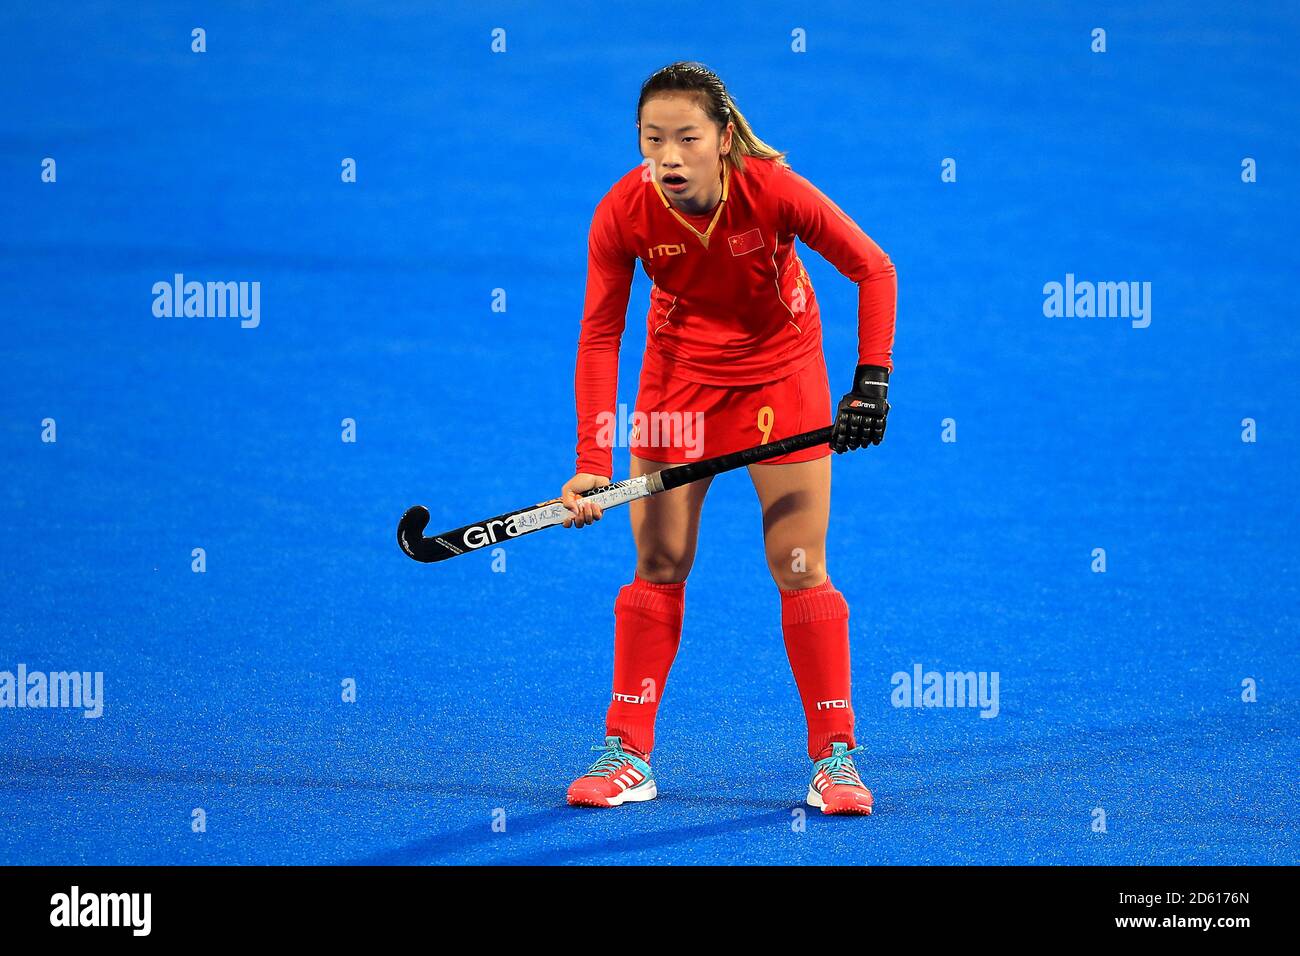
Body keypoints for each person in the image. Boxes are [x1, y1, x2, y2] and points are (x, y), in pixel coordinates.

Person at [560, 62, 895, 815]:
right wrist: (590, 465)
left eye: (686, 138)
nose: (669, 156)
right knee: (660, 558)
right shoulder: (623, 212)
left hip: (782, 378)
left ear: (723, 138)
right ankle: (627, 754)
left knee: (799, 562)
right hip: (678, 385)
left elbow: (873, 268)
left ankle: (835, 760)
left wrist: (871, 378)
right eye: (653, 140)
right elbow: (599, 336)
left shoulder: (771, 189)